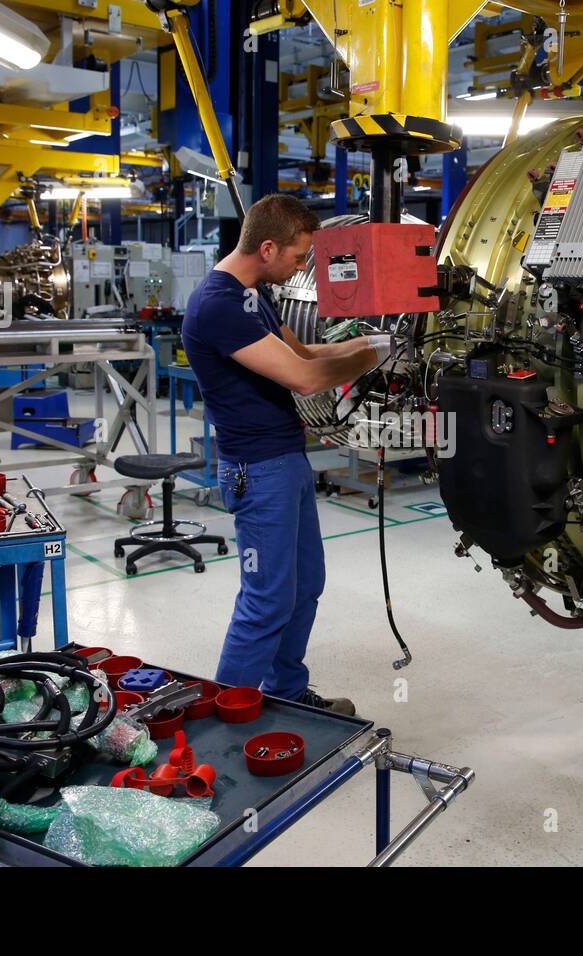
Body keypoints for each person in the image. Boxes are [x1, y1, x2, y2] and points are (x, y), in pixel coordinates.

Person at [181, 194, 393, 714]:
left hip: (286, 460)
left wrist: (381, 343)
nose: (303, 267)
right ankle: (227, 718)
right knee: (266, 600)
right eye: (300, 258)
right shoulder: (219, 305)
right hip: (257, 471)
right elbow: (304, 378)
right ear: (268, 246)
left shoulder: (254, 294)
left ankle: (286, 692)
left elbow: (302, 353)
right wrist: (372, 359)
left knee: (304, 588)